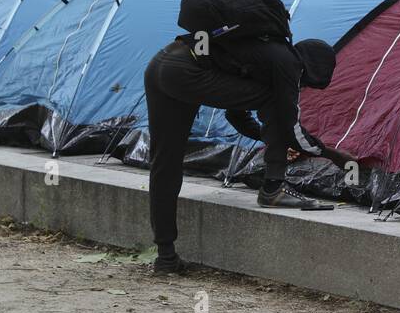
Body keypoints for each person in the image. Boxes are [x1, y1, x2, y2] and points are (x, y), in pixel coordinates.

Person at [144, 28, 350, 275]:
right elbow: (288, 124)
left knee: (165, 163)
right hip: (186, 72)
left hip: (161, 63)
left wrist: (271, 140)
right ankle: (274, 188)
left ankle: (166, 258)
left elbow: (235, 113)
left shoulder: (264, 54)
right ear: (310, 69)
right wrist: (331, 154)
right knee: (276, 103)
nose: (303, 86)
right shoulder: (289, 65)